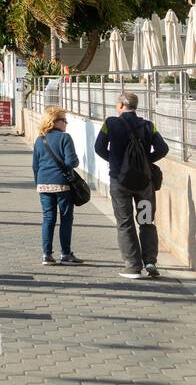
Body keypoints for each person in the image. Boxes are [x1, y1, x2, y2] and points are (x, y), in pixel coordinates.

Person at [94, 92, 169, 279]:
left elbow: (99, 148)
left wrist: (115, 162)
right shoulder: (148, 126)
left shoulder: (110, 123)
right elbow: (163, 149)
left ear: (121, 105)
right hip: (144, 183)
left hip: (120, 182)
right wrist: (145, 161)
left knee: (125, 222)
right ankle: (150, 262)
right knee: (146, 221)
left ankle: (132, 266)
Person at [32, 106, 83, 266]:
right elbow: (71, 162)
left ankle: (47, 255)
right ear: (55, 121)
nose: (66, 123)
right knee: (66, 218)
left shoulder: (40, 139)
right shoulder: (65, 138)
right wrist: (75, 161)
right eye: (64, 120)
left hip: (43, 183)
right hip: (62, 184)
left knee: (48, 218)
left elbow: (35, 165)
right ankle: (65, 253)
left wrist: (39, 182)